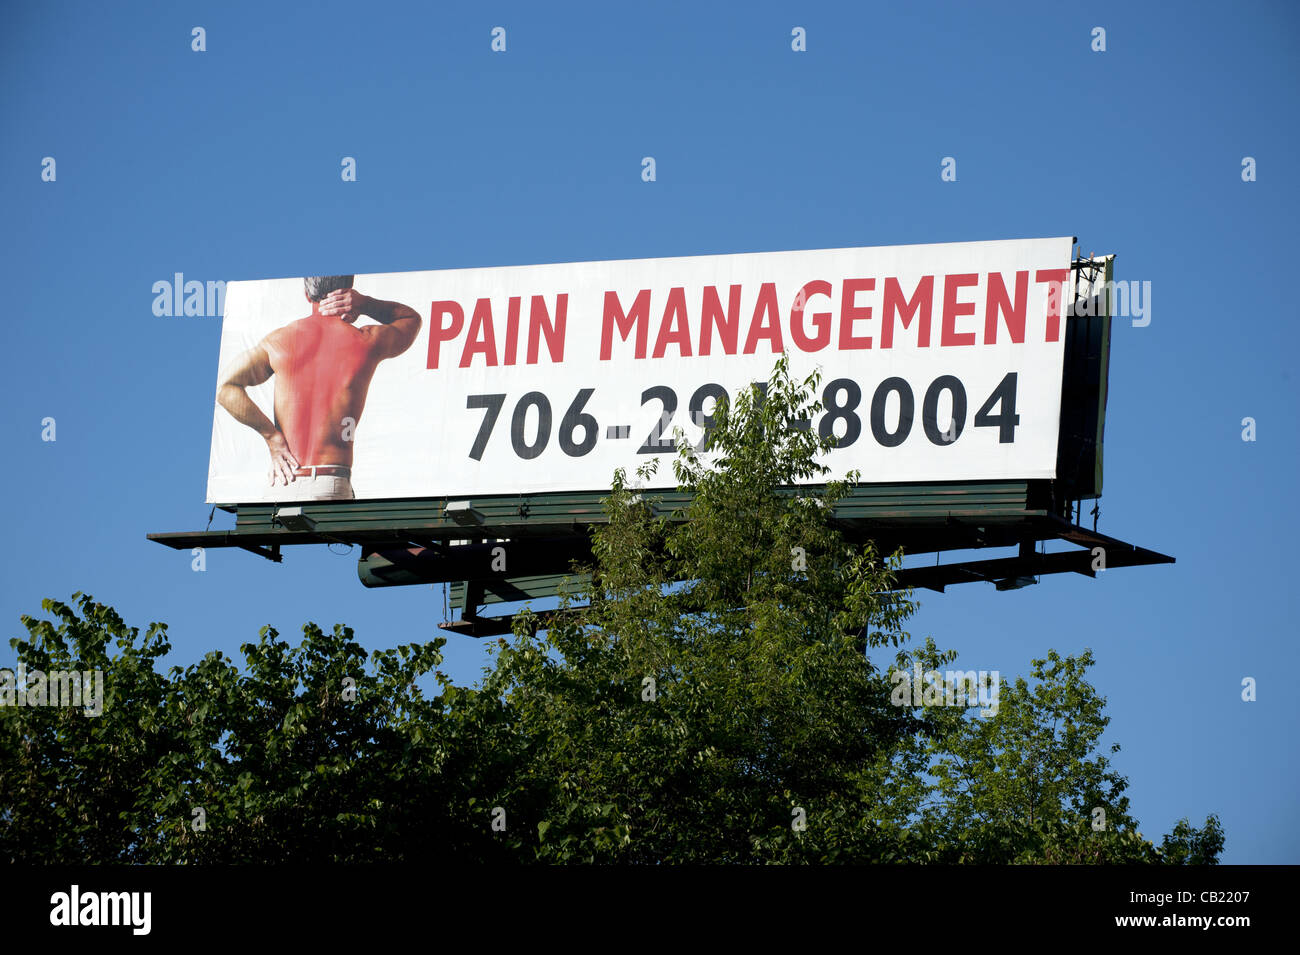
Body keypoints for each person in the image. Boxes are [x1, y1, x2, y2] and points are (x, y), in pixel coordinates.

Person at [216, 275, 422, 500]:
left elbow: (226, 388)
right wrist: (365, 303)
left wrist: (272, 438)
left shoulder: (278, 341)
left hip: (284, 482)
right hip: (330, 482)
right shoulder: (366, 340)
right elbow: (411, 319)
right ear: (348, 290)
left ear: (307, 295)